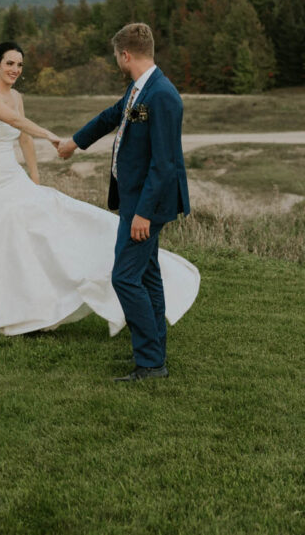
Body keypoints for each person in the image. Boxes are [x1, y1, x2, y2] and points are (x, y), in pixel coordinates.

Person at [0, 41, 199, 346]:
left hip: (11, 174)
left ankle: (25, 309)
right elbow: (15, 122)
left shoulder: (17, 97)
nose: (15, 70)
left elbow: (23, 138)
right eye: (9, 63)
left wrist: (34, 178)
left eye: (20, 65)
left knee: (39, 222)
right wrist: (53, 137)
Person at [57, 22, 192, 382]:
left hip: (147, 204)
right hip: (134, 198)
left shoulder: (162, 95)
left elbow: (164, 164)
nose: (117, 61)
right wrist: (75, 141)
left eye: (117, 56)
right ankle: (155, 353)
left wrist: (143, 214)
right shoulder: (139, 89)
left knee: (124, 277)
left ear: (125, 54)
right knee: (147, 276)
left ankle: (149, 362)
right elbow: (111, 117)